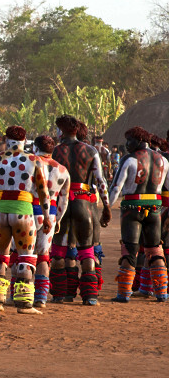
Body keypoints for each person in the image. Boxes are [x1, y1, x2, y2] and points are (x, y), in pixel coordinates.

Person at [0, 126, 52, 314]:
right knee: (25, 255)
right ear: (25, 141)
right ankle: (24, 304)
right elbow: (43, 193)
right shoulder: (34, 161)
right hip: (23, 212)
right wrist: (46, 217)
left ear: (7, 140)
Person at [50, 115, 110, 304]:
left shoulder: (54, 152)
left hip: (61, 203)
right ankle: (90, 296)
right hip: (84, 203)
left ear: (61, 131)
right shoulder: (91, 151)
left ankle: (60, 294)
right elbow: (100, 181)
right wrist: (106, 205)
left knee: (59, 250)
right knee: (86, 250)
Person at [109, 127, 168, 303]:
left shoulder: (129, 159)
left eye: (129, 141)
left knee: (130, 250)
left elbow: (116, 187)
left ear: (138, 140)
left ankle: (123, 294)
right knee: (155, 249)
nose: (127, 145)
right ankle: (161, 293)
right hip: (155, 209)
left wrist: (107, 208)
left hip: (132, 208)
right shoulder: (162, 160)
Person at [30, 135, 70, 308]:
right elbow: (64, 200)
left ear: (35, 148)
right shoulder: (62, 170)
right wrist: (58, 219)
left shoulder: (30, 163)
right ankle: (41, 298)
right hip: (52, 213)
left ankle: (20, 294)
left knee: (24, 254)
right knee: (44, 256)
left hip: (29, 210)